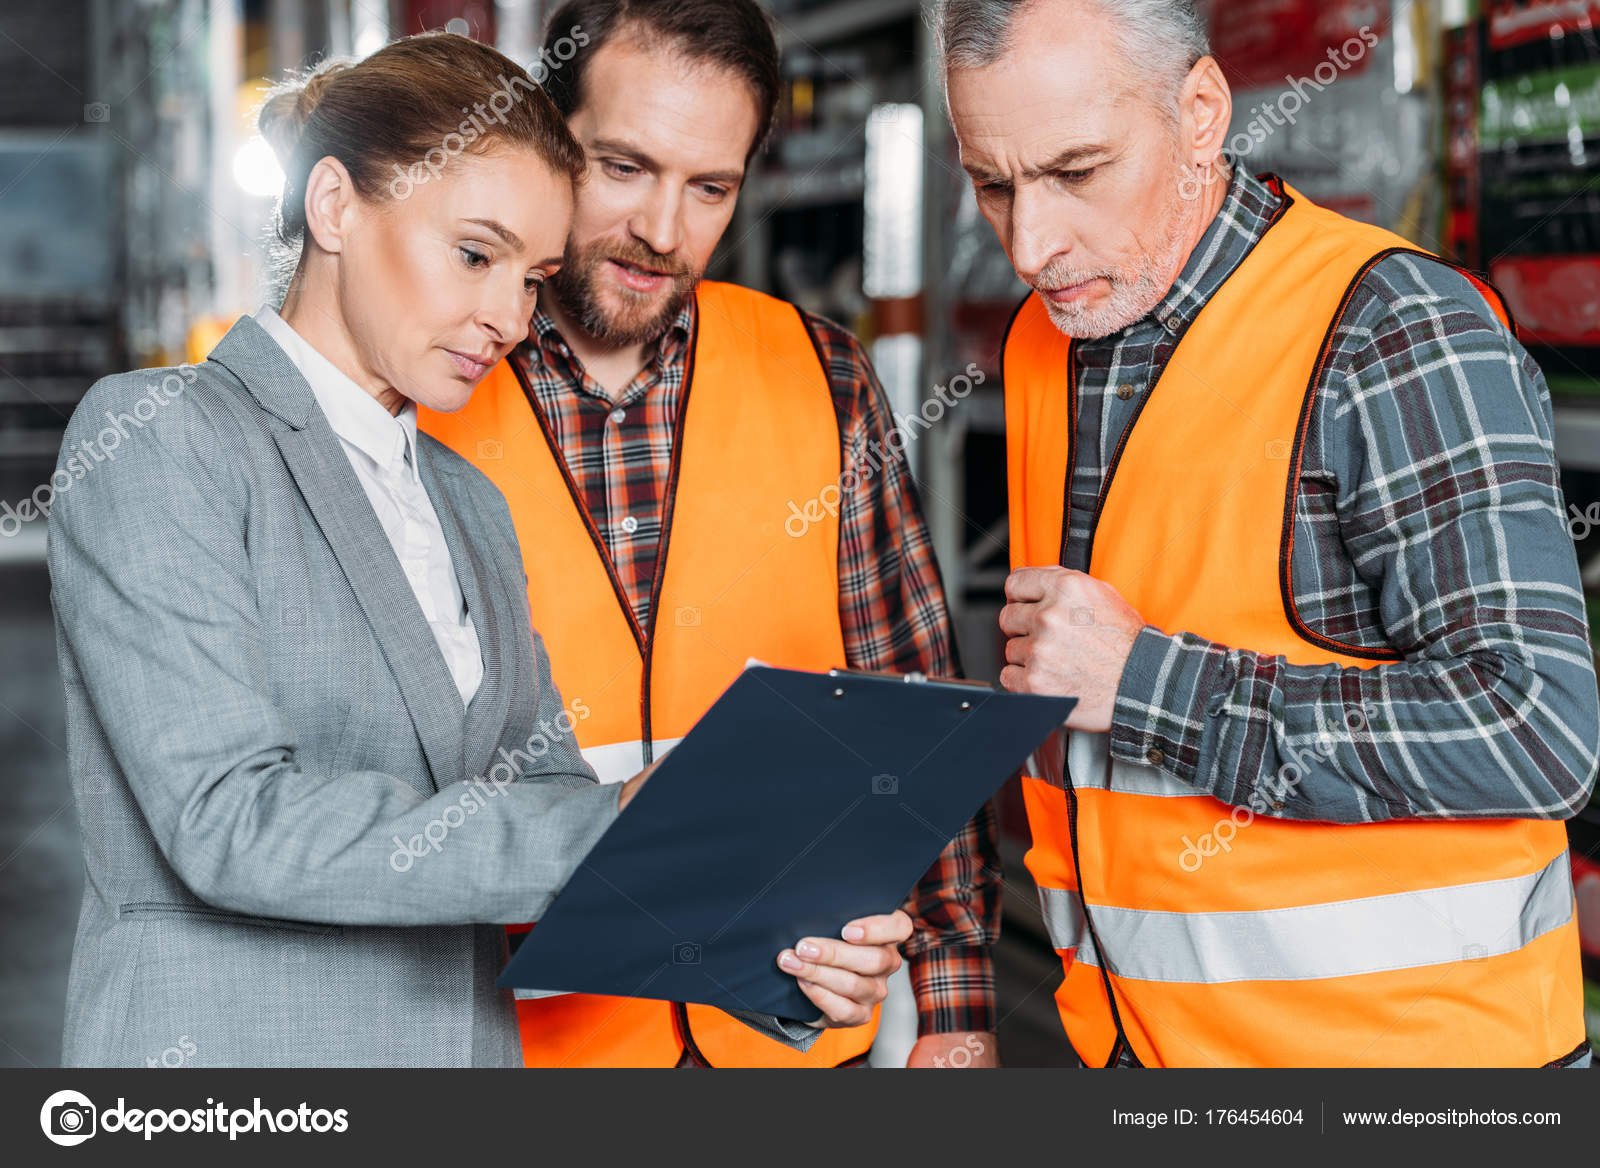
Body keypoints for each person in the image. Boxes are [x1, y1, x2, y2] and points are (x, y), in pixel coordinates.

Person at [47, 31, 906, 1068]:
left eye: (535, 276)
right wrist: (630, 825)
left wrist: (781, 950)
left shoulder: (464, 502)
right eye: (475, 253)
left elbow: (543, 820)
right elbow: (230, 819)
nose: (507, 316)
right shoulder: (162, 438)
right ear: (333, 208)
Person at [938, 0, 1600, 1067]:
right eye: (993, 182)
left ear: (1201, 110)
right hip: (1140, 1050)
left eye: (1077, 171)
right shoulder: (1045, 341)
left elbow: (1535, 730)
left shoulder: (1392, 330)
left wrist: (1149, 680)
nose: (1030, 243)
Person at [420, 0, 1000, 1067]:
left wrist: (953, 1017)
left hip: (781, 1045)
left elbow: (913, 717)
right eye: (624, 167)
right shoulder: (428, 389)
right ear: (549, 143)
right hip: (517, 1056)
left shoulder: (820, 379)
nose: (661, 231)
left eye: (709, 188)